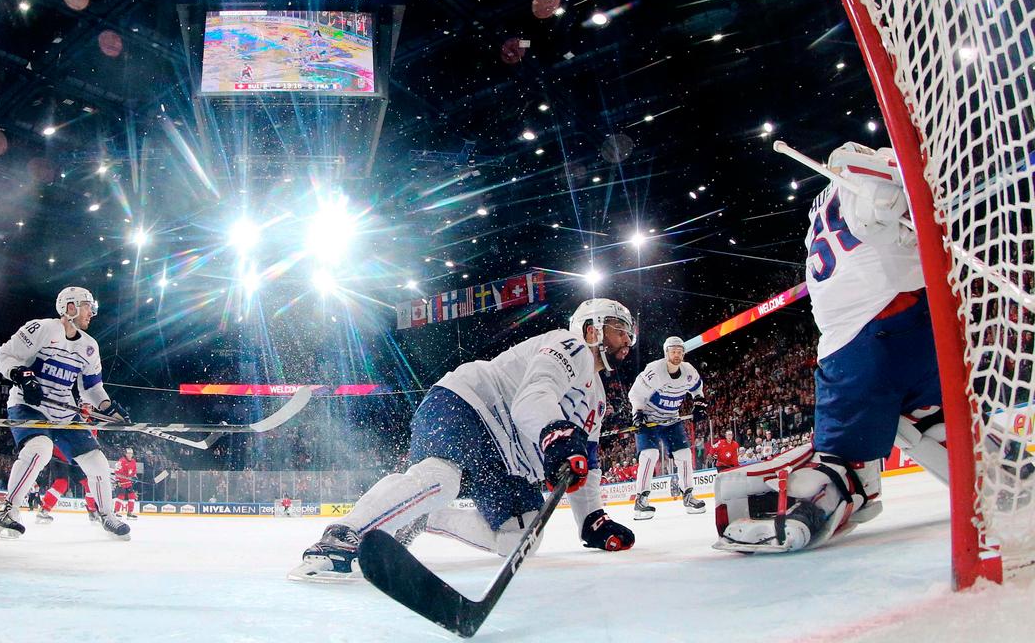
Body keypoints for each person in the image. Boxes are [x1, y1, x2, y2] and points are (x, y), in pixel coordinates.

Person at [289, 298, 638, 582]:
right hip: (470, 404)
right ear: (591, 329)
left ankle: (427, 517)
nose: (627, 339)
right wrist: (556, 435)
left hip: (507, 460)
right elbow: (532, 399)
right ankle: (346, 534)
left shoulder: (598, 400)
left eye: (628, 332)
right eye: (619, 329)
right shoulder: (570, 345)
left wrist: (592, 520)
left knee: (521, 538)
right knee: (440, 479)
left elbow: (589, 463)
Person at [715, 142, 945, 553]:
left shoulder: (823, 206)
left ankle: (816, 506)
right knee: (928, 420)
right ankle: (1000, 476)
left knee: (844, 460)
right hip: (913, 317)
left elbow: (873, 199)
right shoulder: (858, 174)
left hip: (855, 340)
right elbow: (884, 202)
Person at [0, 286, 131, 541]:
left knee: (97, 461)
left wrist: (109, 408)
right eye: (87, 306)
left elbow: (92, 388)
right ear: (70, 307)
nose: (91, 313)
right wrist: (22, 375)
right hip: (28, 405)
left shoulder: (89, 346)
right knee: (40, 448)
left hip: (63, 412)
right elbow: (4, 356)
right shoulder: (42, 329)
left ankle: (107, 515)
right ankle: (8, 511)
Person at [627, 336, 709, 519]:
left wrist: (699, 402)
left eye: (680, 352)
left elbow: (697, 388)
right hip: (649, 420)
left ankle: (688, 496)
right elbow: (636, 393)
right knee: (650, 455)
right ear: (666, 353)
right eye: (673, 352)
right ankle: (641, 500)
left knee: (684, 454)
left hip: (671, 419)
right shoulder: (655, 371)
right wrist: (637, 414)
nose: (677, 355)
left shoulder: (689, 371)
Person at [114, 447, 139, 519]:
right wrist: (118, 480)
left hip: (128, 483)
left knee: (132, 496)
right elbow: (117, 471)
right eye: (128, 453)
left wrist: (134, 476)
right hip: (121, 482)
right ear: (125, 454)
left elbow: (134, 471)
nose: (130, 455)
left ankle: (130, 513)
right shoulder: (121, 461)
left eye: (131, 453)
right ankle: (116, 512)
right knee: (121, 497)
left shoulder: (133, 461)